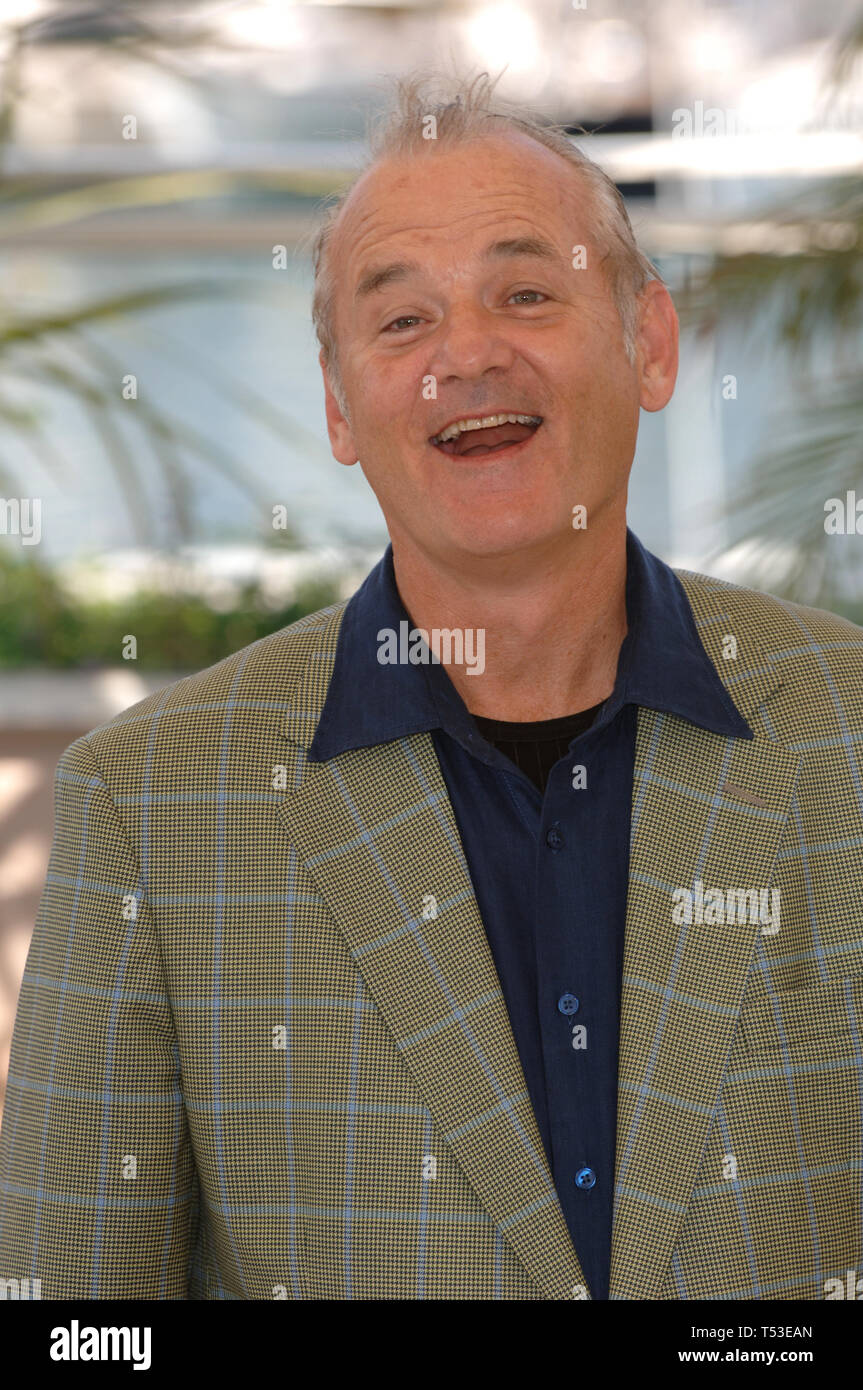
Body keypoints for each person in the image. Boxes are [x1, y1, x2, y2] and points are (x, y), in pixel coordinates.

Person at [1, 70, 861, 1302]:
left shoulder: (848, 731)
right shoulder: (147, 805)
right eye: (400, 321)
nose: (466, 352)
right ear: (340, 405)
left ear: (649, 344)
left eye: (525, 292)